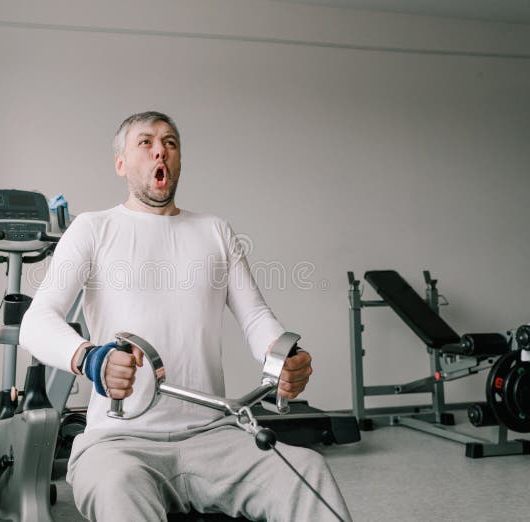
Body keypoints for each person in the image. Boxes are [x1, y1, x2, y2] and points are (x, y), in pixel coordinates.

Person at [19, 111, 351, 521]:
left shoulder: (215, 230)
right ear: (121, 163)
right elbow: (36, 323)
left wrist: (283, 358)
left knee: (308, 471)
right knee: (116, 488)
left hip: (215, 437)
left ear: (177, 162)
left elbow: (255, 317)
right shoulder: (92, 228)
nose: (161, 149)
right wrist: (92, 359)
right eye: (146, 142)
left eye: (170, 143)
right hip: (119, 442)